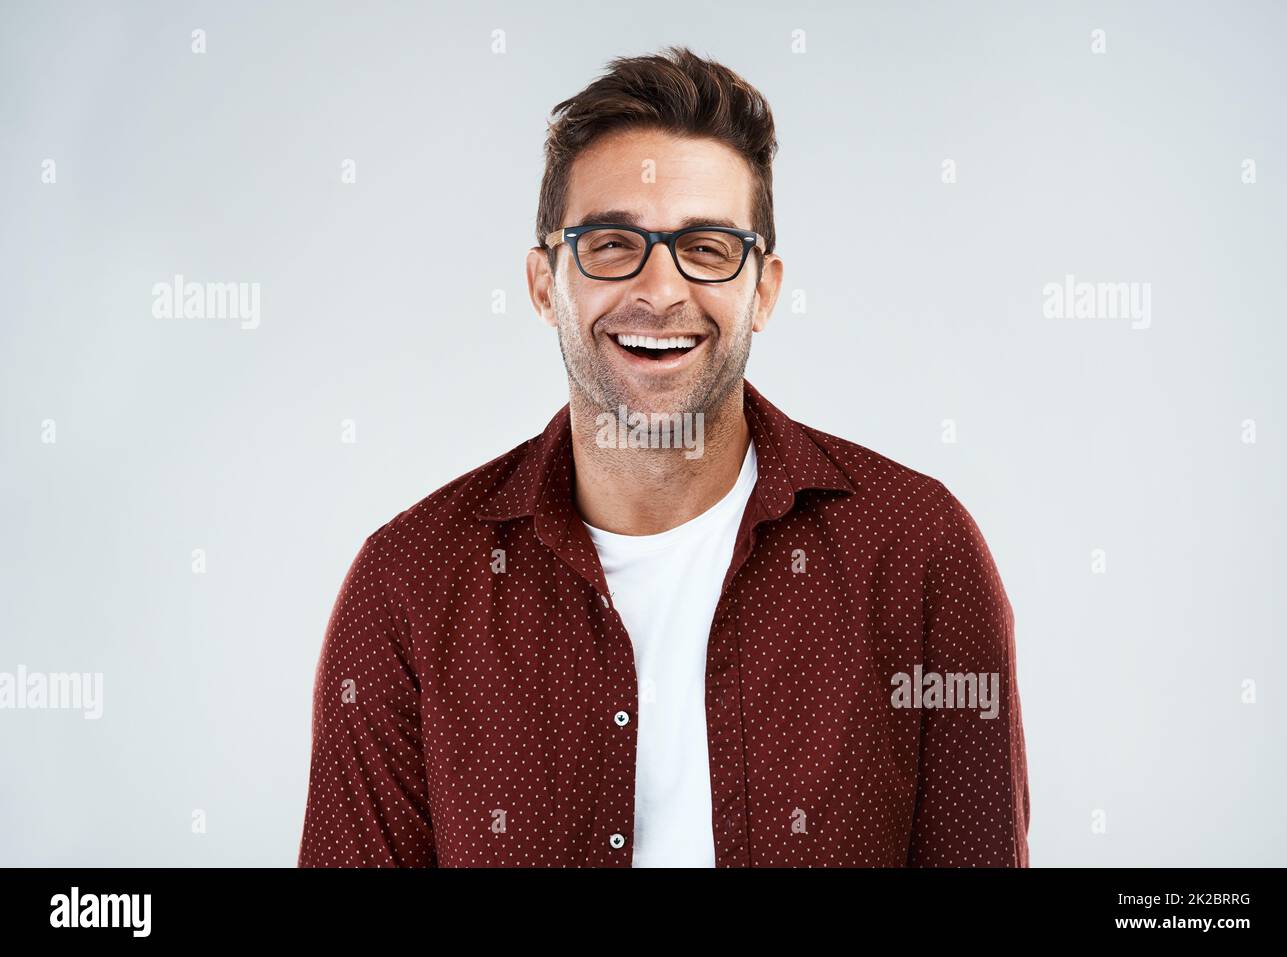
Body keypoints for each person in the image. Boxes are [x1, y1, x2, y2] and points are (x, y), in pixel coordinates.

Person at [297, 45, 1029, 868]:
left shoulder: (918, 551)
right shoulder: (408, 581)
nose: (660, 289)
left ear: (764, 289)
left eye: (708, 248)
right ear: (545, 284)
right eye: (613, 244)